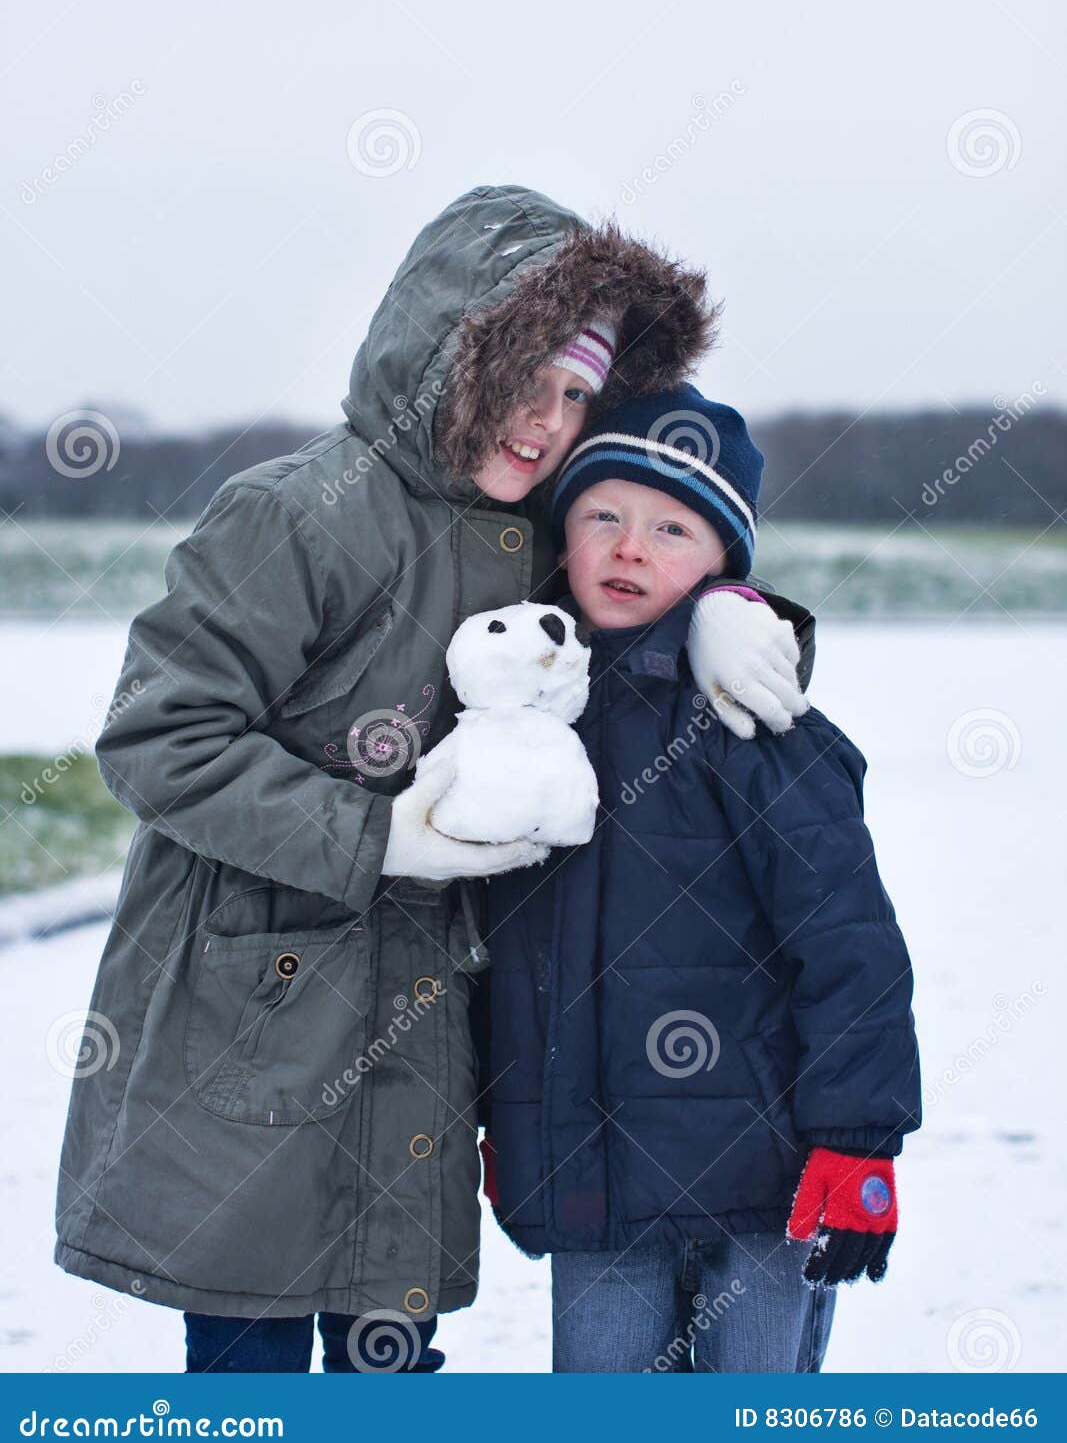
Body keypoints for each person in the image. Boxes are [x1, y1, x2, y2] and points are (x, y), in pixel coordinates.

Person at [52, 185, 813, 1374]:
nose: (543, 421)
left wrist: (727, 613)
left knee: (387, 1369)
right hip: (254, 1020)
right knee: (248, 1365)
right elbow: (162, 739)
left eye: (575, 395)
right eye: (523, 375)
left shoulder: (540, 543)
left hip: (419, 1035)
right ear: (446, 355)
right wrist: (375, 832)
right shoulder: (295, 515)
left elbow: (649, 599)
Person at [480, 383, 922, 1374]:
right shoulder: (521, 727)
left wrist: (858, 1140)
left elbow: (849, 944)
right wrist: (511, 1114)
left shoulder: (757, 732)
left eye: (670, 528)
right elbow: (506, 954)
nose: (628, 547)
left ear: (726, 565)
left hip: (765, 1189)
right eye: (603, 516)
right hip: (592, 1195)